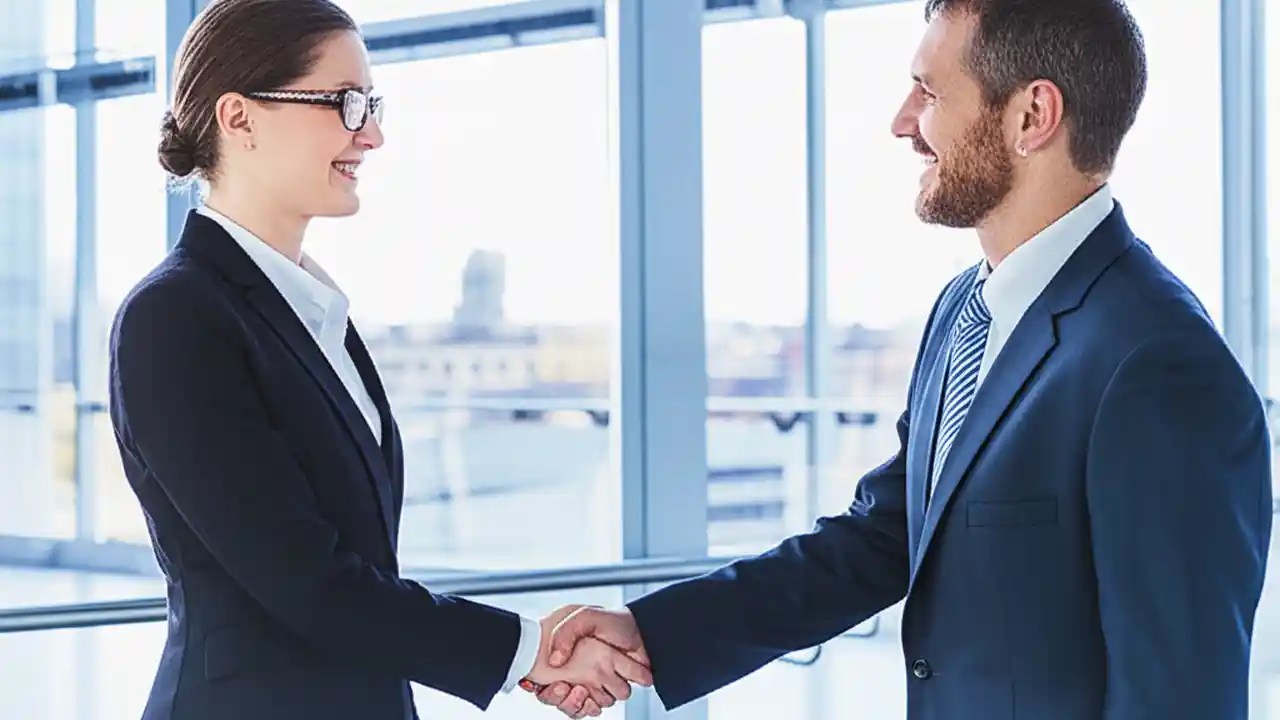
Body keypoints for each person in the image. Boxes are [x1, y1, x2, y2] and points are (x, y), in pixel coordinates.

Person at [533, 1, 1273, 718]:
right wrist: (654, 634)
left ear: (1032, 116)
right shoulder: (965, 310)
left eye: (928, 92)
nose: (902, 124)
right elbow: (884, 540)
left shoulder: (1159, 365)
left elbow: (1181, 698)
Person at [107, 1, 648, 718]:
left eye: (371, 104)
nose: (374, 134)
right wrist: (525, 651)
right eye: (345, 103)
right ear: (238, 119)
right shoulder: (175, 317)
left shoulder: (314, 312)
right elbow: (308, 582)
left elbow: (355, 566)